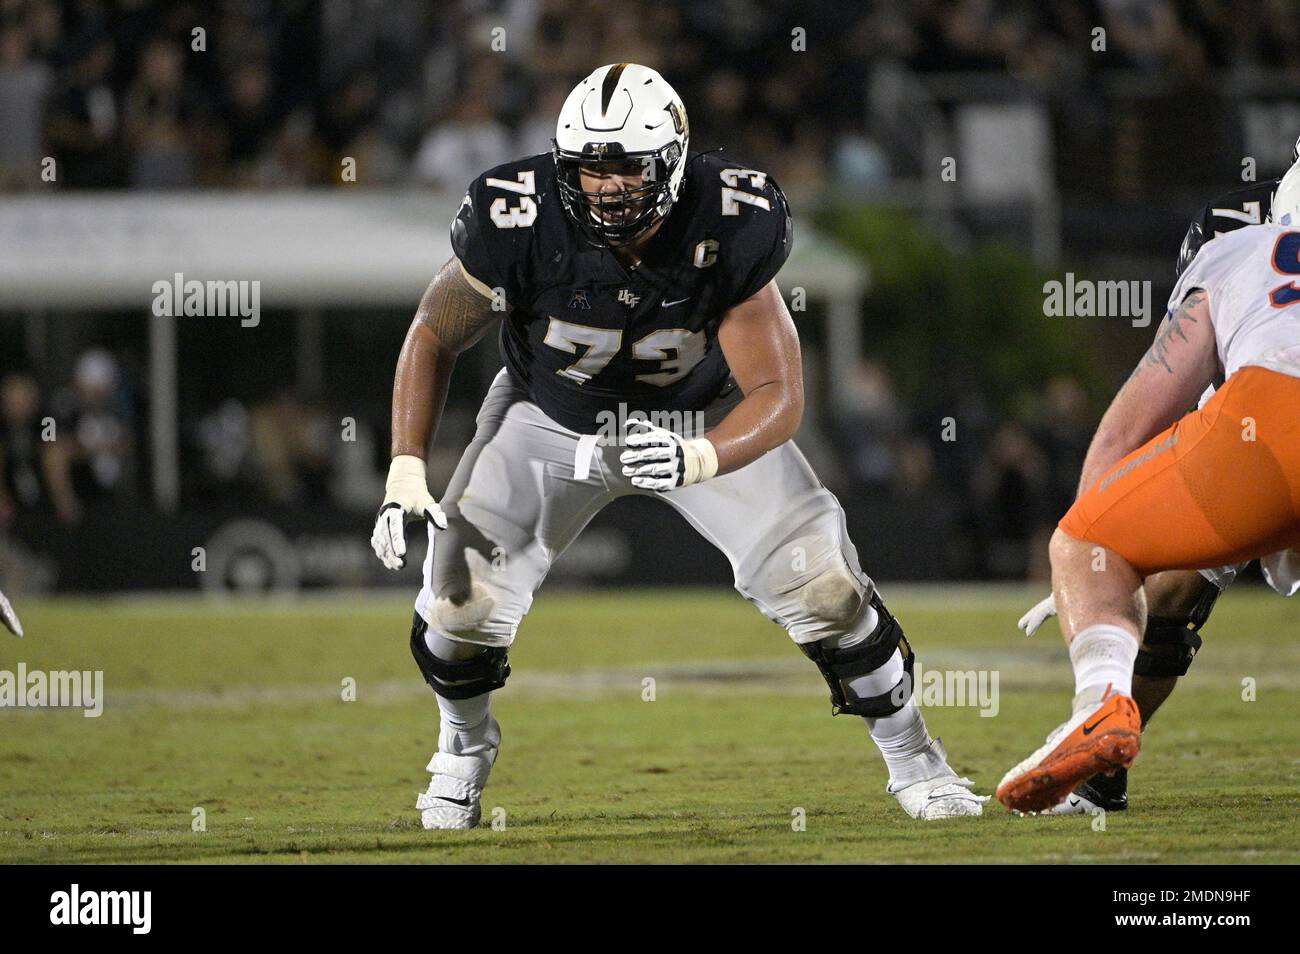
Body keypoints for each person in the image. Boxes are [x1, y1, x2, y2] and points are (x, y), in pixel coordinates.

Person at [371, 63, 987, 829]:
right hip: (548, 414)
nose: (607, 186)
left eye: (627, 164)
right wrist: (404, 465)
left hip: (699, 411)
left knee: (825, 590)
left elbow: (779, 394)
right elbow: (434, 331)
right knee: (460, 605)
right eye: (591, 166)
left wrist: (701, 457)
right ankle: (461, 753)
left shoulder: (730, 217)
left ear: (673, 159)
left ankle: (917, 763)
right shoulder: (514, 215)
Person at [997, 164, 1300, 815]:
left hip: (1270, 422)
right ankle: (1103, 770)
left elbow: (1128, 425)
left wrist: (1090, 547)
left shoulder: (1239, 248)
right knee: (1173, 593)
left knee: (1090, 540)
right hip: (1262, 420)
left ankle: (1102, 705)